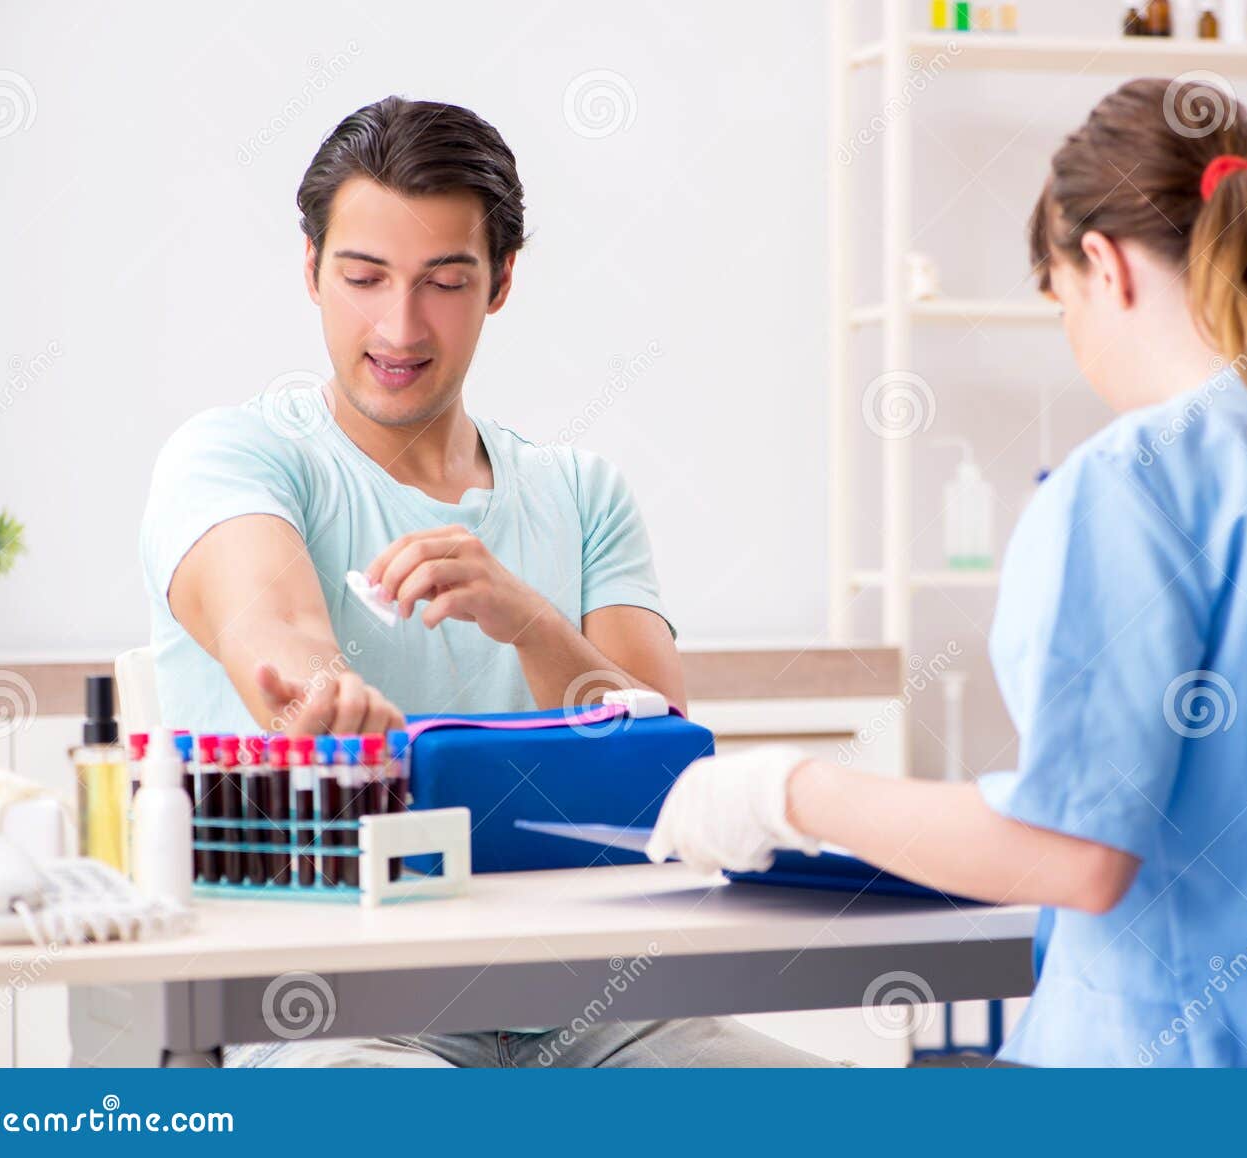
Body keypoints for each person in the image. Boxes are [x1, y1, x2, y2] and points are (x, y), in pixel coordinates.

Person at [645, 77, 1247, 1067]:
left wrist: (781, 791)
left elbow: (1074, 854)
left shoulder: (1135, 482)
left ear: (1100, 265)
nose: (1072, 339)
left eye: (1058, 302)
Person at [140, 96, 824, 1068]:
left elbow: (666, 778)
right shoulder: (235, 456)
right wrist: (319, 689)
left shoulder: (581, 495)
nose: (399, 324)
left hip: (602, 1008)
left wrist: (534, 625)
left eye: (444, 282)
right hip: (337, 1014)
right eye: (364, 277)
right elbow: (273, 622)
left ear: (501, 281)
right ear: (311, 272)